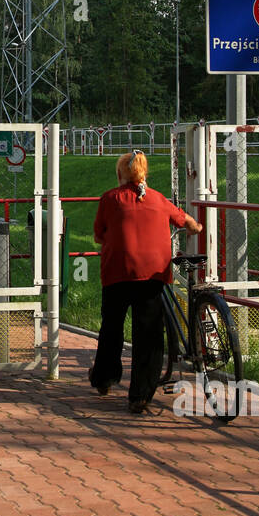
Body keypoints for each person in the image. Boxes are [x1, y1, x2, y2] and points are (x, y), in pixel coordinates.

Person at [90, 149, 202, 413]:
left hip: (117, 273)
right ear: (144, 173)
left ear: (120, 174)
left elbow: (98, 236)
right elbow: (184, 219)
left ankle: (104, 379)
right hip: (153, 275)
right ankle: (140, 394)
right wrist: (196, 227)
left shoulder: (109, 199)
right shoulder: (158, 199)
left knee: (111, 329)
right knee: (149, 335)